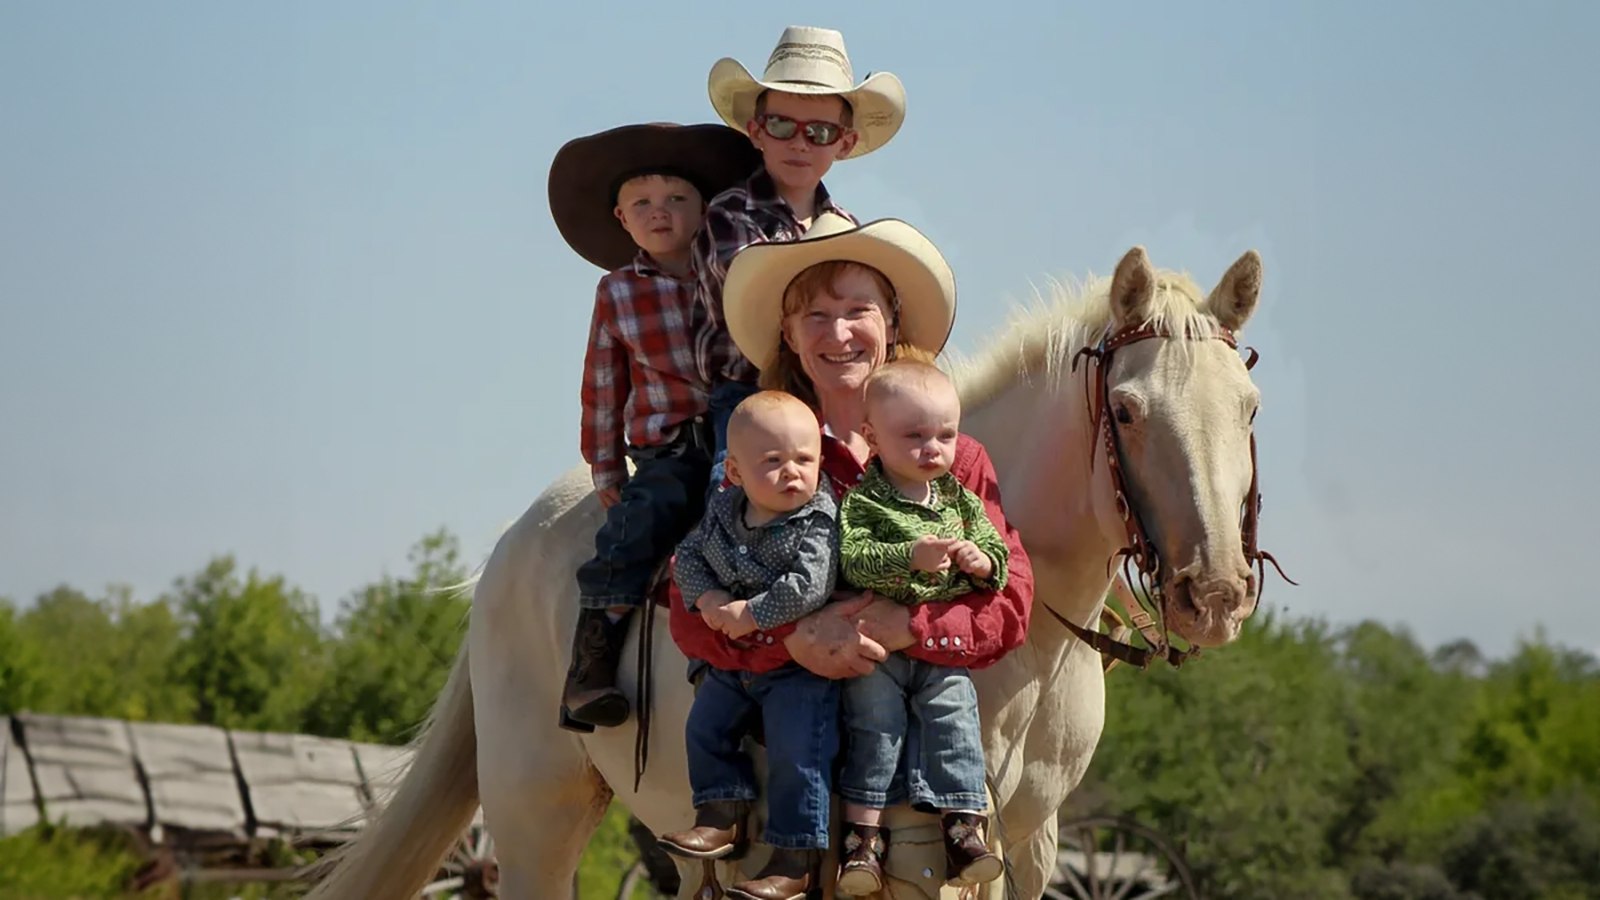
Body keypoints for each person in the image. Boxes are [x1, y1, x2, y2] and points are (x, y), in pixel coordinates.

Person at [664, 213, 1035, 900]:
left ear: (891, 322)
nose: (838, 334)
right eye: (815, 315)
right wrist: (791, 636)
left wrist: (912, 628)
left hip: (914, 738)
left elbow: (1011, 602)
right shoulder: (758, 451)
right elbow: (689, 609)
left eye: (857, 311)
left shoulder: (957, 459)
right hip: (785, 732)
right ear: (789, 336)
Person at [548, 122, 761, 733]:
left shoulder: (735, 276)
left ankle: (746, 665)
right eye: (642, 203)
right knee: (634, 530)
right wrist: (605, 464)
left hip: (744, 440)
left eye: (676, 199)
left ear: (707, 211)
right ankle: (589, 670)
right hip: (670, 449)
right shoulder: (616, 292)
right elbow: (603, 384)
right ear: (621, 218)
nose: (659, 213)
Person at [693, 25, 908, 496]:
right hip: (749, 394)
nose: (799, 143)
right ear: (757, 131)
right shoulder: (729, 215)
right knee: (733, 503)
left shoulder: (846, 227)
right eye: (782, 126)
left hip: (833, 395)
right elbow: (760, 299)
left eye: (820, 132)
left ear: (844, 144)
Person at [833, 358, 1011, 893]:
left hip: (939, 649)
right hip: (878, 652)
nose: (933, 448)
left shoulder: (959, 498)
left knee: (955, 719)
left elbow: (997, 550)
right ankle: (863, 841)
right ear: (872, 437)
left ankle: (963, 827)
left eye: (946, 435)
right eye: (913, 436)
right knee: (875, 728)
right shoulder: (865, 500)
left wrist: (983, 562)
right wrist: (908, 555)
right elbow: (852, 559)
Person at [658, 391, 842, 897]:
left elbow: (811, 585)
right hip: (735, 662)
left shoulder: (817, 520)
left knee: (797, 752)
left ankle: (795, 857)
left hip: (794, 669)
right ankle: (721, 812)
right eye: (774, 462)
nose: (793, 473)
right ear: (735, 474)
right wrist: (708, 597)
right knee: (704, 726)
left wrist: (752, 613)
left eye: (805, 460)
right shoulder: (723, 510)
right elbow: (689, 556)